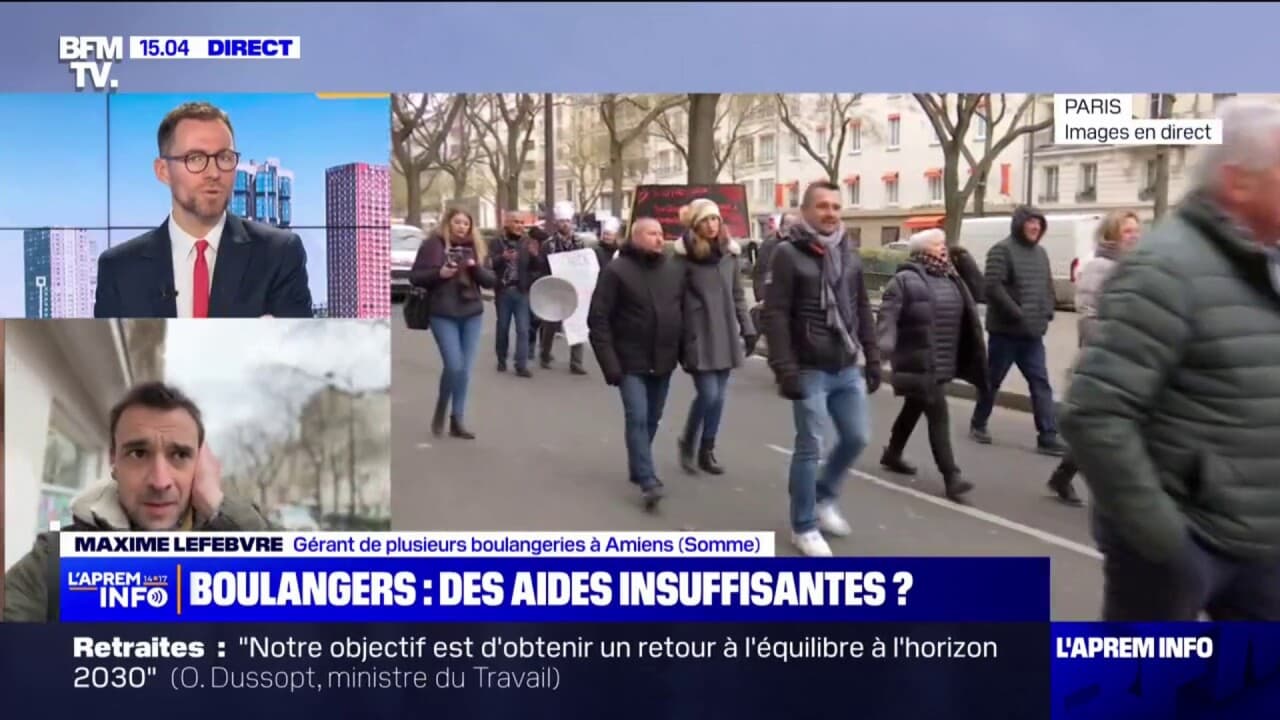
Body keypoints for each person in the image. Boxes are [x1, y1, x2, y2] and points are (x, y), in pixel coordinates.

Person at [1061, 98, 1280, 621]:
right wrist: (1164, 541)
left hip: (1261, 540)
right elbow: (1094, 413)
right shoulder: (1165, 269)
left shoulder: (1266, 260)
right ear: (1240, 182)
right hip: (1185, 540)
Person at [3, 382, 270, 622]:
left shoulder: (235, 552)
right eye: (138, 453)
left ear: (200, 465)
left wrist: (216, 503)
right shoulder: (56, 560)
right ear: (114, 461)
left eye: (179, 454)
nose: (160, 481)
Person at [94, 101, 313, 319]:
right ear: (163, 171)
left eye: (224, 158)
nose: (214, 173)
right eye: (195, 159)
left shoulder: (279, 254)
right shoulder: (119, 268)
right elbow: (107, 353)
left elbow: (298, 351)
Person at [763, 181, 881, 557]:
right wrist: (784, 368)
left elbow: (861, 306)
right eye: (823, 206)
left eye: (836, 206)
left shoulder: (848, 250)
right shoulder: (788, 253)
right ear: (806, 211)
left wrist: (874, 356)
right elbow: (776, 313)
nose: (831, 213)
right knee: (811, 445)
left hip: (846, 364)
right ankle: (804, 525)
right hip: (808, 366)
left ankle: (824, 497)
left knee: (857, 437)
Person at [875, 229, 987, 503]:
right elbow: (887, 316)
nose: (944, 249)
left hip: (944, 357)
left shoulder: (951, 276)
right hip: (920, 359)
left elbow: (980, 292)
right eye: (938, 245)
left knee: (914, 406)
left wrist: (966, 258)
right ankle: (952, 476)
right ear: (923, 250)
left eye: (944, 244)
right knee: (938, 413)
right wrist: (882, 350)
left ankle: (893, 452)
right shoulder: (904, 280)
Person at [587, 218, 687, 509]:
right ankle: (647, 479)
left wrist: (685, 350)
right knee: (638, 416)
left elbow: (680, 313)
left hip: (663, 359)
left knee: (653, 417)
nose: (659, 239)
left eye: (661, 234)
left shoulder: (671, 270)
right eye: (652, 233)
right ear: (636, 236)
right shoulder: (617, 271)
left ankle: (638, 464)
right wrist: (609, 363)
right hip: (629, 360)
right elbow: (599, 319)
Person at [1046, 209, 1141, 506]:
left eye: (1136, 231)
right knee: (1107, 426)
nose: (1134, 236)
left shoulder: (1137, 266)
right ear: (1112, 234)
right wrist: (1104, 349)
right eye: (1127, 231)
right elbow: (1087, 312)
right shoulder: (1099, 266)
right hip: (1106, 358)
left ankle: (1064, 474)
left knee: (1110, 426)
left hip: (1133, 357)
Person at [968, 205, 1066, 456]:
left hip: (1033, 334)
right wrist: (1018, 314)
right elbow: (993, 288)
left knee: (1040, 383)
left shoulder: (1041, 253)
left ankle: (1047, 435)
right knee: (993, 380)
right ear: (1019, 224)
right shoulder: (1001, 250)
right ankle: (979, 422)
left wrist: (1048, 311)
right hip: (1005, 333)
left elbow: (1047, 286)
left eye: (1039, 223)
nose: (1035, 227)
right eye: (1030, 222)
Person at [672, 199, 756, 475]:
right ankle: (687, 442)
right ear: (696, 224)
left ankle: (707, 450)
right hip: (698, 334)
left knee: (719, 397)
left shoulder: (729, 256)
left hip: (725, 334)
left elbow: (737, 295)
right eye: (706, 220)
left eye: (715, 219)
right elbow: (673, 300)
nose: (712, 225)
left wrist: (748, 328)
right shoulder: (683, 259)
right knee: (707, 394)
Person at [410, 207, 496, 439]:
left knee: (465, 371)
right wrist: (441, 273)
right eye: (457, 222)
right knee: (454, 366)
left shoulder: (475, 247)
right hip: (442, 313)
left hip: (472, 314)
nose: (462, 227)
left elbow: (490, 281)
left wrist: (474, 267)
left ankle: (457, 419)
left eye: (466, 223)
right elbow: (416, 276)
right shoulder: (433, 245)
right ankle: (441, 405)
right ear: (448, 223)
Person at [489, 212, 544, 378]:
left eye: (522, 222)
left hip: (521, 292)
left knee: (523, 329)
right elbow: (488, 263)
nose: (519, 225)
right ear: (507, 223)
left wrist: (535, 256)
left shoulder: (527, 242)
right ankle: (501, 358)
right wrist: (502, 257)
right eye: (516, 222)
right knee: (503, 327)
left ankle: (521, 365)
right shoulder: (497, 242)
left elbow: (538, 267)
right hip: (504, 291)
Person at [539, 202, 589, 375]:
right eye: (561, 221)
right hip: (555, 289)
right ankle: (545, 354)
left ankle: (576, 362)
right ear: (556, 223)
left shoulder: (580, 242)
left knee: (577, 324)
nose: (565, 224)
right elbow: (542, 267)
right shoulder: (548, 244)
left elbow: (585, 264)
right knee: (551, 325)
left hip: (575, 289)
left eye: (568, 221)